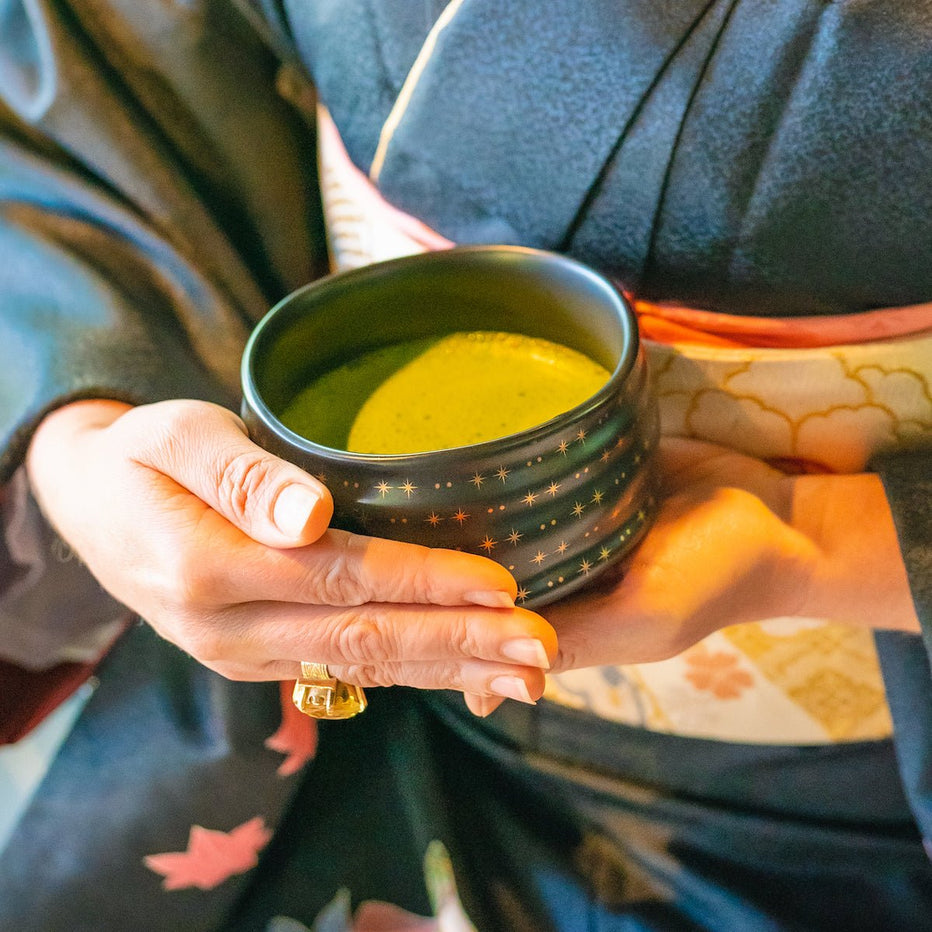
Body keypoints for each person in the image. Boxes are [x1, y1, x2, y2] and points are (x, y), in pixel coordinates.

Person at [1, 1, 930, 929]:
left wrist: (818, 542)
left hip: (868, 809)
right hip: (380, 750)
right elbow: (110, 78)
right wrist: (89, 435)